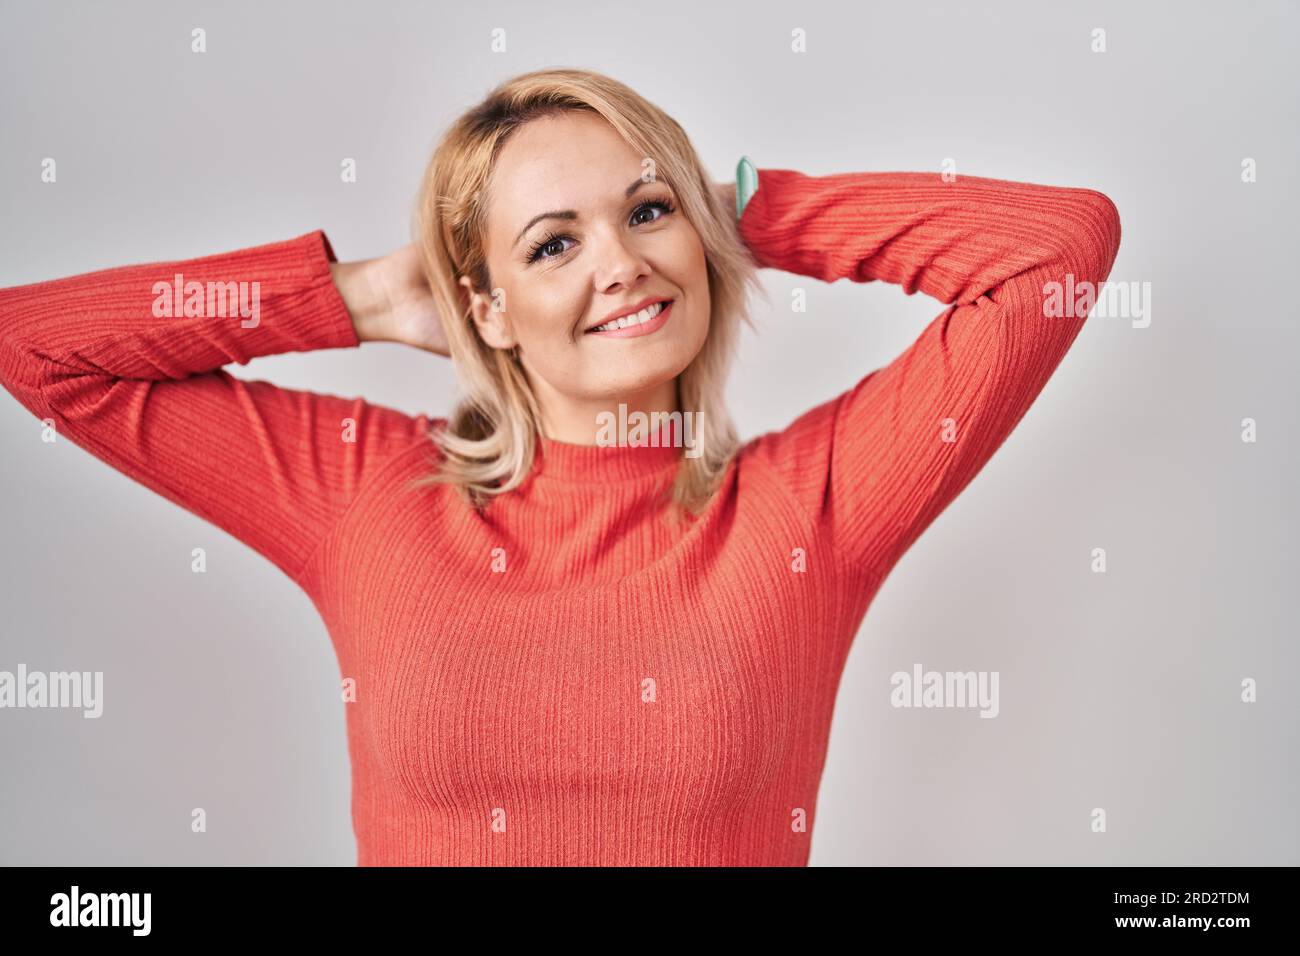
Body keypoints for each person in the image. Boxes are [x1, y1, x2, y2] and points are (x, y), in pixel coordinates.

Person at [0, 67, 1121, 866]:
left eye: (647, 210)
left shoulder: (803, 507)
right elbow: (36, 347)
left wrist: (748, 208)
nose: (624, 265)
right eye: (553, 243)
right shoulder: (366, 495)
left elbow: (1057, 253)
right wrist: (361, 297)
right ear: (482, 301)